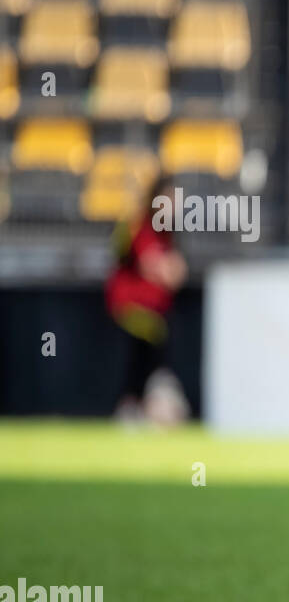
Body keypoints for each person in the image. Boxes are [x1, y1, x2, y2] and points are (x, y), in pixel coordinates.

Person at [105, 174, 190, 426]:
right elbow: (157, 268)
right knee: (141, 361)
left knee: (150, 360)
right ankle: (131, 409)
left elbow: (176, 271)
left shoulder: (167, 233)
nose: (173, 205)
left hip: (155, 310)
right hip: (134, 307)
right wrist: (168, 269)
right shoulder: (144, 227)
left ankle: (144, 408)